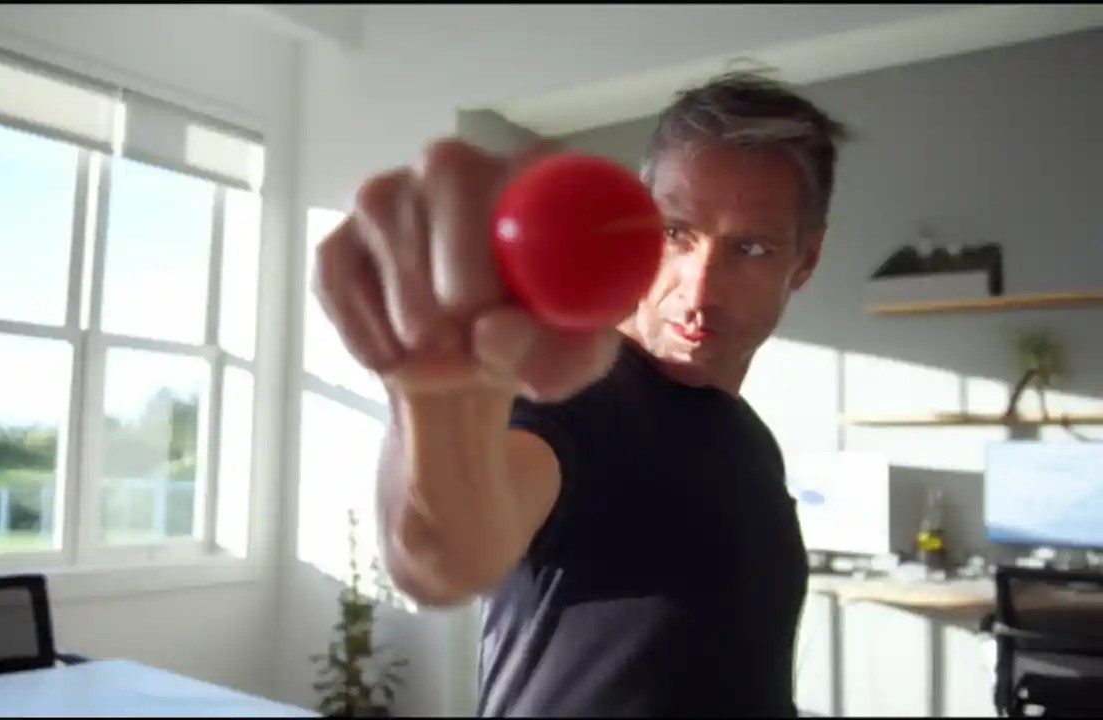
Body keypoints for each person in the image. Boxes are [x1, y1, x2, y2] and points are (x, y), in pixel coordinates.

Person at [312, 70, 849, 717]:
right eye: (676, 233)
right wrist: (434, 398)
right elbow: (446, 553)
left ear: (806, 260)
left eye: (750, 248)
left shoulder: (748, 437)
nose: (698, 288)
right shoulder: (575, 394)